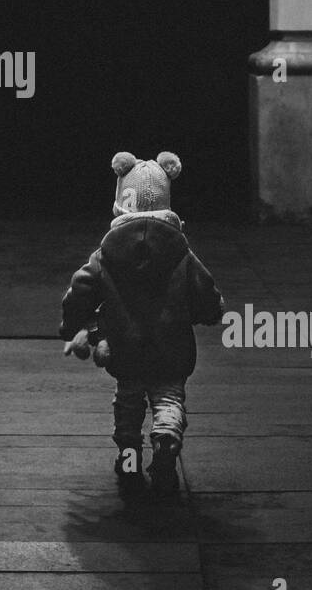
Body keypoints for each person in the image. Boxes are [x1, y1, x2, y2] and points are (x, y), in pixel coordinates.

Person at [60, 151, 224, 493]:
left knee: (128, 404)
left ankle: (130, 461)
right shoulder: (181, 252)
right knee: (168, 399)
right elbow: (205, 290)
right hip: (172, 348)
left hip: (124, 348)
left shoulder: (106, 253)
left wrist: (74, 325)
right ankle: (165, 442)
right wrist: (210, 312)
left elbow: (80, 288)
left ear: (122, 201)